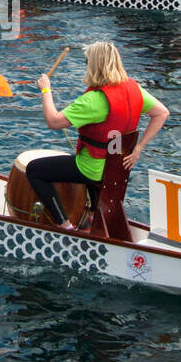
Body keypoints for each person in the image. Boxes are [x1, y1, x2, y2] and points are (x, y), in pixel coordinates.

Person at [25, 41, 169, 231]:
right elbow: (162, 113)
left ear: (93, 66)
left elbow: (53, 121)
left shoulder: (94, 100)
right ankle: (93, 216)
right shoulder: (135, 89)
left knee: (34, 170)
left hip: (92, 169)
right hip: (117, 167)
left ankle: (64, 225)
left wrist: (46, 89)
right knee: (83, 163)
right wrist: (139, 147)